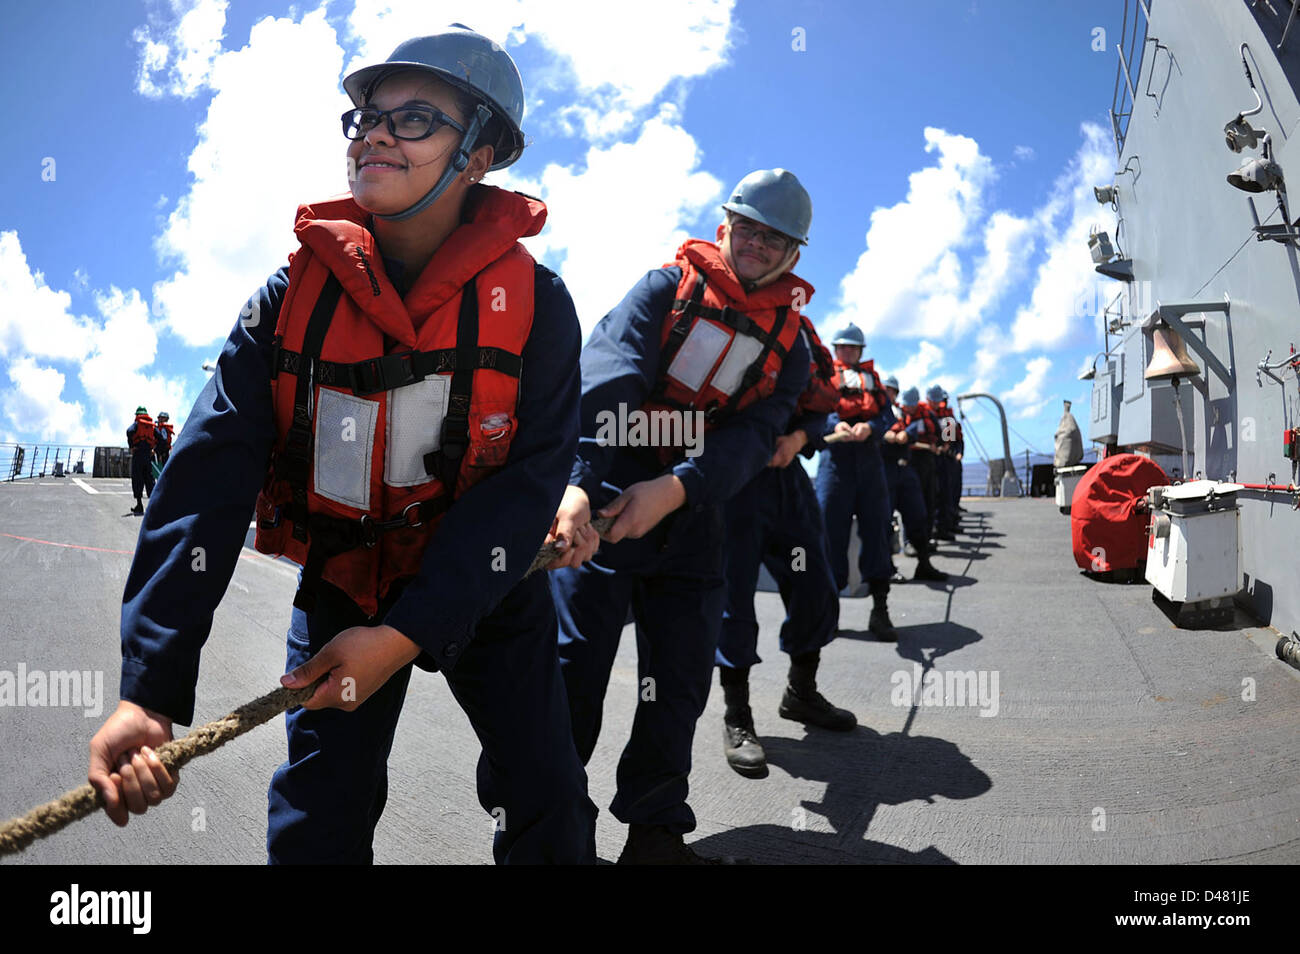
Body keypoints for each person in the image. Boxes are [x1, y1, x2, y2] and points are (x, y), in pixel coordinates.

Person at [87, 25, 596, 865]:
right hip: (343, 582)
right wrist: (150, 690)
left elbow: (527, 487)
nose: (376, 134)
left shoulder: (540, 308)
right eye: (366, 117)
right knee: (319, 818)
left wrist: (406, 636)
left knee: (548, 794)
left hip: (487, 582)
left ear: (481, 153)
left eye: (416, 118)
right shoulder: (287, 302)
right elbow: (205, 486)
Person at [547, 169, 813, 862]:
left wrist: (678, 489)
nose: (755, 244)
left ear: (794, 253)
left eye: (774, 236)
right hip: (606, 492)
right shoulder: (664, 292)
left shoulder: (793, 343)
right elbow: (611, 380)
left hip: (695, 514)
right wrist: (578, 488)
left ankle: (655, 830)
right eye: (747, 227)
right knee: (569, 666)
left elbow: (756, 436)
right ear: (724, 226)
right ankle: (543, 821)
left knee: (680, 674)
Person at [716, 313, 853, 778]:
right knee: (733, 600)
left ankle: (801, 693)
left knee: (816, 584)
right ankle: (737, 716)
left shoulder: (799, 329)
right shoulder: (711, 316)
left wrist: (798, 437)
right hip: (729, 483)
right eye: (751, 234)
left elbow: (822, 408)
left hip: (784, 478)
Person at [814, 323, 898, 640]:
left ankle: (880, 611)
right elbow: (812, 410)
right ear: (835, 349)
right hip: (835, 463)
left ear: (861, 351)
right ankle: (828, 613)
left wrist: (871, 428)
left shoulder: (873, 381)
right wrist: (837, 426)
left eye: (853, 347)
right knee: (828, 534)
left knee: (876, 531)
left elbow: (888, 416)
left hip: (869, 462)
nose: (847, 352)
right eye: (842, 347)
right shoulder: (823, 377)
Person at [881, 378, 947, 583]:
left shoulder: (911, 414)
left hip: (910, 467)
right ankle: (887, 568)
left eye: (893, 392)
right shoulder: (879, 414)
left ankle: (924, 563)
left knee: (919, 513)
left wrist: (947, 446)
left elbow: (935, 433)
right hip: (886, 469)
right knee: (884, 520)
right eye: (887, 391)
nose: (890, 395)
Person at [927, 385, 958, 541]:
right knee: (932, 495)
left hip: (943, 459)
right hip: (929, 459)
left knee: (945, 492)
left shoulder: (947, 417)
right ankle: (933, 529)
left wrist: (945, 446)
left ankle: (943, 527)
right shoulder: (924, 414)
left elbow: (950, 438)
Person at [125, 406, 156, 515]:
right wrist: (154, 449)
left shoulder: (137, 424)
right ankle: (153, 506)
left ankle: (139, 505)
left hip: (138, 454)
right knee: (149, 478)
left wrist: (131, 446)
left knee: (138, 478)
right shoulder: (152, 426)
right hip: (147, 454)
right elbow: (161, 438)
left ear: (137, 415)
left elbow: (129, 431)